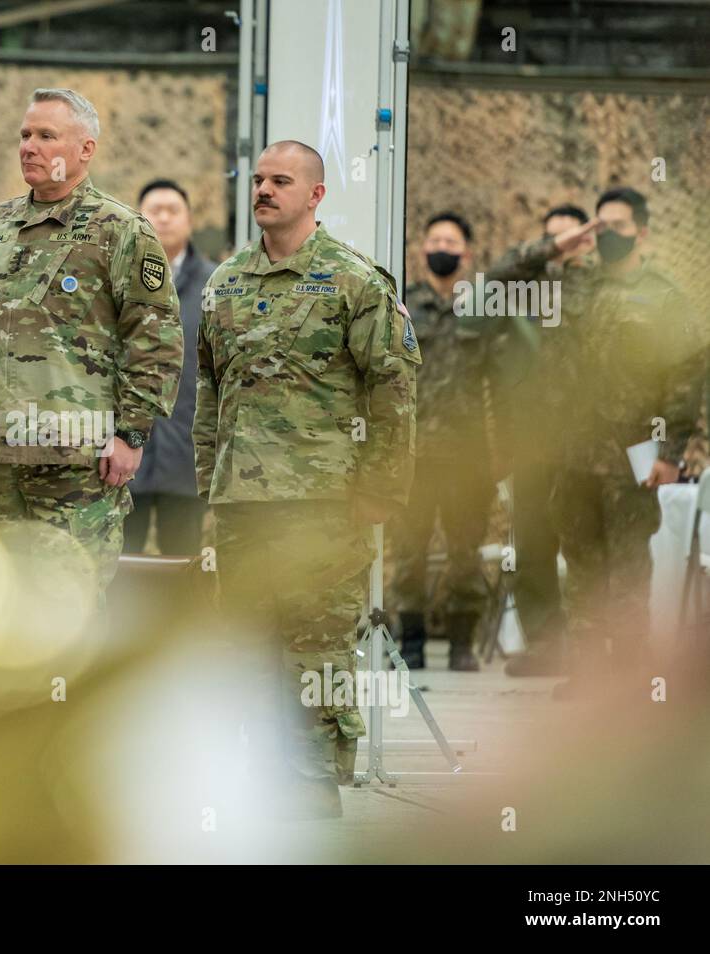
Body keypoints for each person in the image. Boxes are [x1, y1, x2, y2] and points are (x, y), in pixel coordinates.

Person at [193, 140, 420, 816]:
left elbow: (395, 387)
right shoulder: (225, 283)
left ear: (316, 194)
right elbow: (209, 393)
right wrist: (211, 483)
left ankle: (314, 782)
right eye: (259, 180)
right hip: (242, 504)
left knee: (317, 648)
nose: (264, 190)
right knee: (249, 645)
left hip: (326, 504)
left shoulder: (354, 281)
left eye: (281, 181)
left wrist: (382, 488)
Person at [0, 88, 182, 596]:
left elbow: (154, 337)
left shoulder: (120, 231)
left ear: (85, 149)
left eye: (47, 136)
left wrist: (131, 433)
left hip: (76, 461)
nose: (29, 146)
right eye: (25, 135)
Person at [544, 188, 703, 698]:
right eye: (601, 226)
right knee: (581, 561)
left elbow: (684, 379)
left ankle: (631, 677)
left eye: (619, 226)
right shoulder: (575, 281)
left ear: (643, 232)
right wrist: (563, 247)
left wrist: (672, 454)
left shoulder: (664, 296)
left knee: (629, 564)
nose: (608, 236)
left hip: (632, 453)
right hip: (572, 450)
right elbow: (504, 281)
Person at [391, 212, 498, 671]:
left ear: (466, 252)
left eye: (450, 241)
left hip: (466, 455)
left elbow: (502, 376)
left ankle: (461, 645)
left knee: (464, 553)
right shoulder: (402, 304)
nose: (441, 247)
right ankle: (411, 645)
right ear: (422, 249)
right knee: (409, 552)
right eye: (434, 239)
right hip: (412, 454)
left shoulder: (482, 306)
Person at [490, 204, 594, 676]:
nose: (562, 248)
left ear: (589, 239)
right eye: (552, 240)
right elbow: (493, 276)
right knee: (531, 544)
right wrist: (548, 248)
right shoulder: (525, 290)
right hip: (532, 440)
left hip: (588, 442)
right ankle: (546, 647)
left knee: (588, 545)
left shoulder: (601, 286)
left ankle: (597, 651)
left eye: (570, 237)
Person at [122, 179, 216, 555]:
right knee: (121, 568)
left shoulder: (215, 284)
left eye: (172, 210)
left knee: (183, 569)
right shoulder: (119, 279)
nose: (163, 218)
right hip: (126, 456)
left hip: (187, 456)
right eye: (153, 211)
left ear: (190, 221)